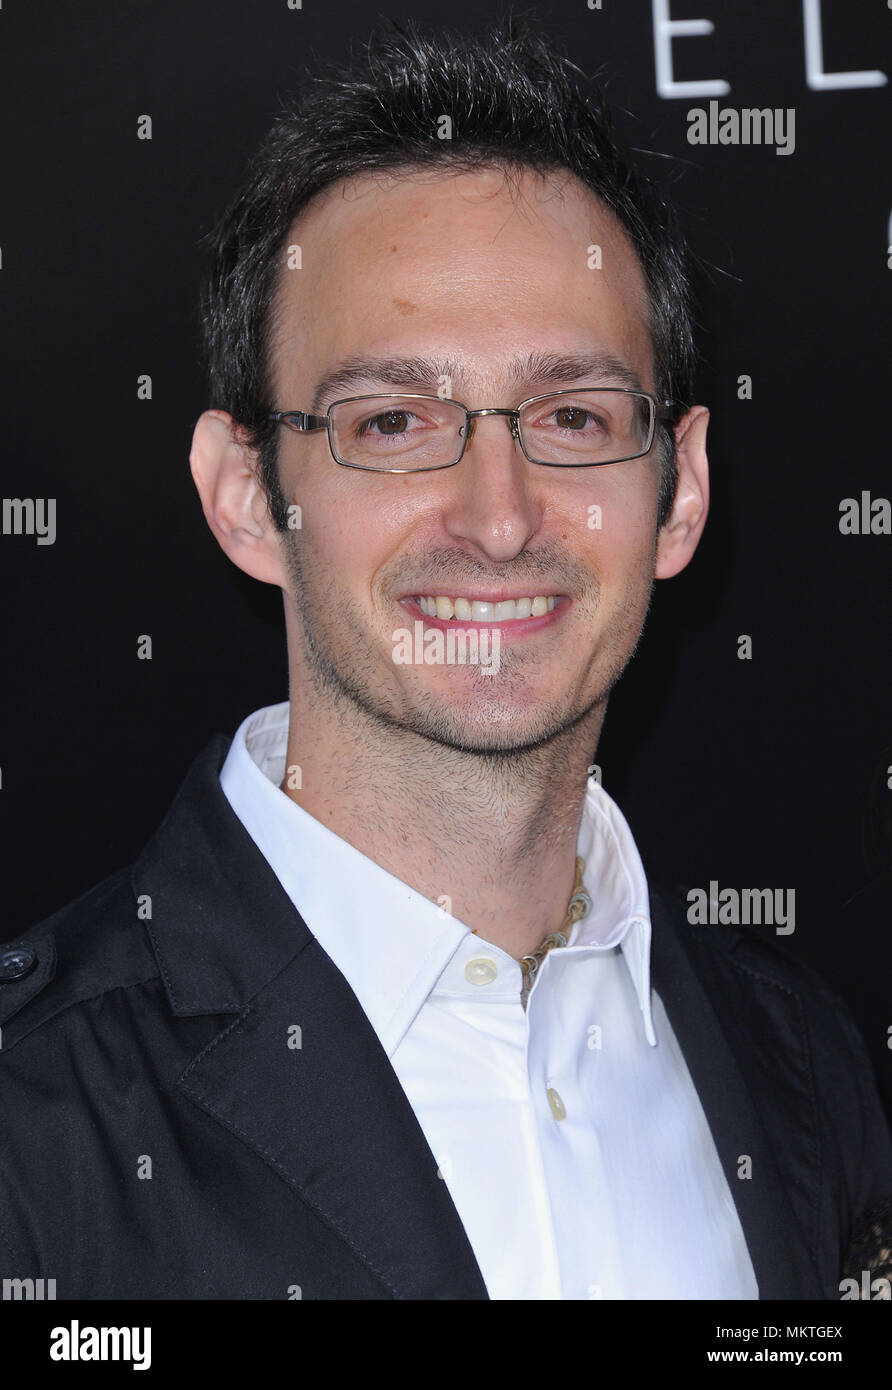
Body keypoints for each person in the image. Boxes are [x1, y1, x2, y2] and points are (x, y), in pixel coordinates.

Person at [1, 17, 889, 1302]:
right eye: (394, 420)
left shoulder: (797, 1058)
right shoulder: (35, 1118)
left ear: (680, 490)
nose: (496, 514)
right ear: (247, 493)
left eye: (573, 416)